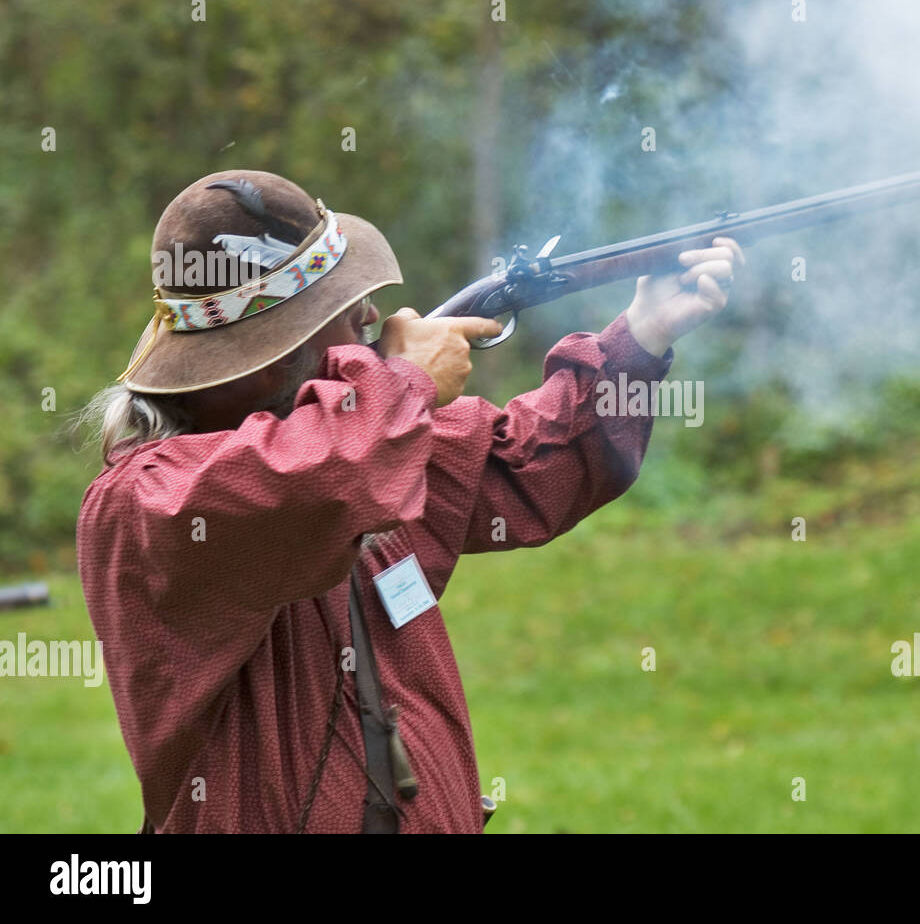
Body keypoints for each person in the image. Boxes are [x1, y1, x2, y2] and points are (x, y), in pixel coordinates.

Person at [77, 169, 742, 832]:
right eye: (339, 304)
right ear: (272, 347)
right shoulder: (148, 501)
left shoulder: (368, 434)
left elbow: (529, 466)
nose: (370, 315)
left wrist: (642, 334)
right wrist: (403, 383)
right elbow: (322, 480)